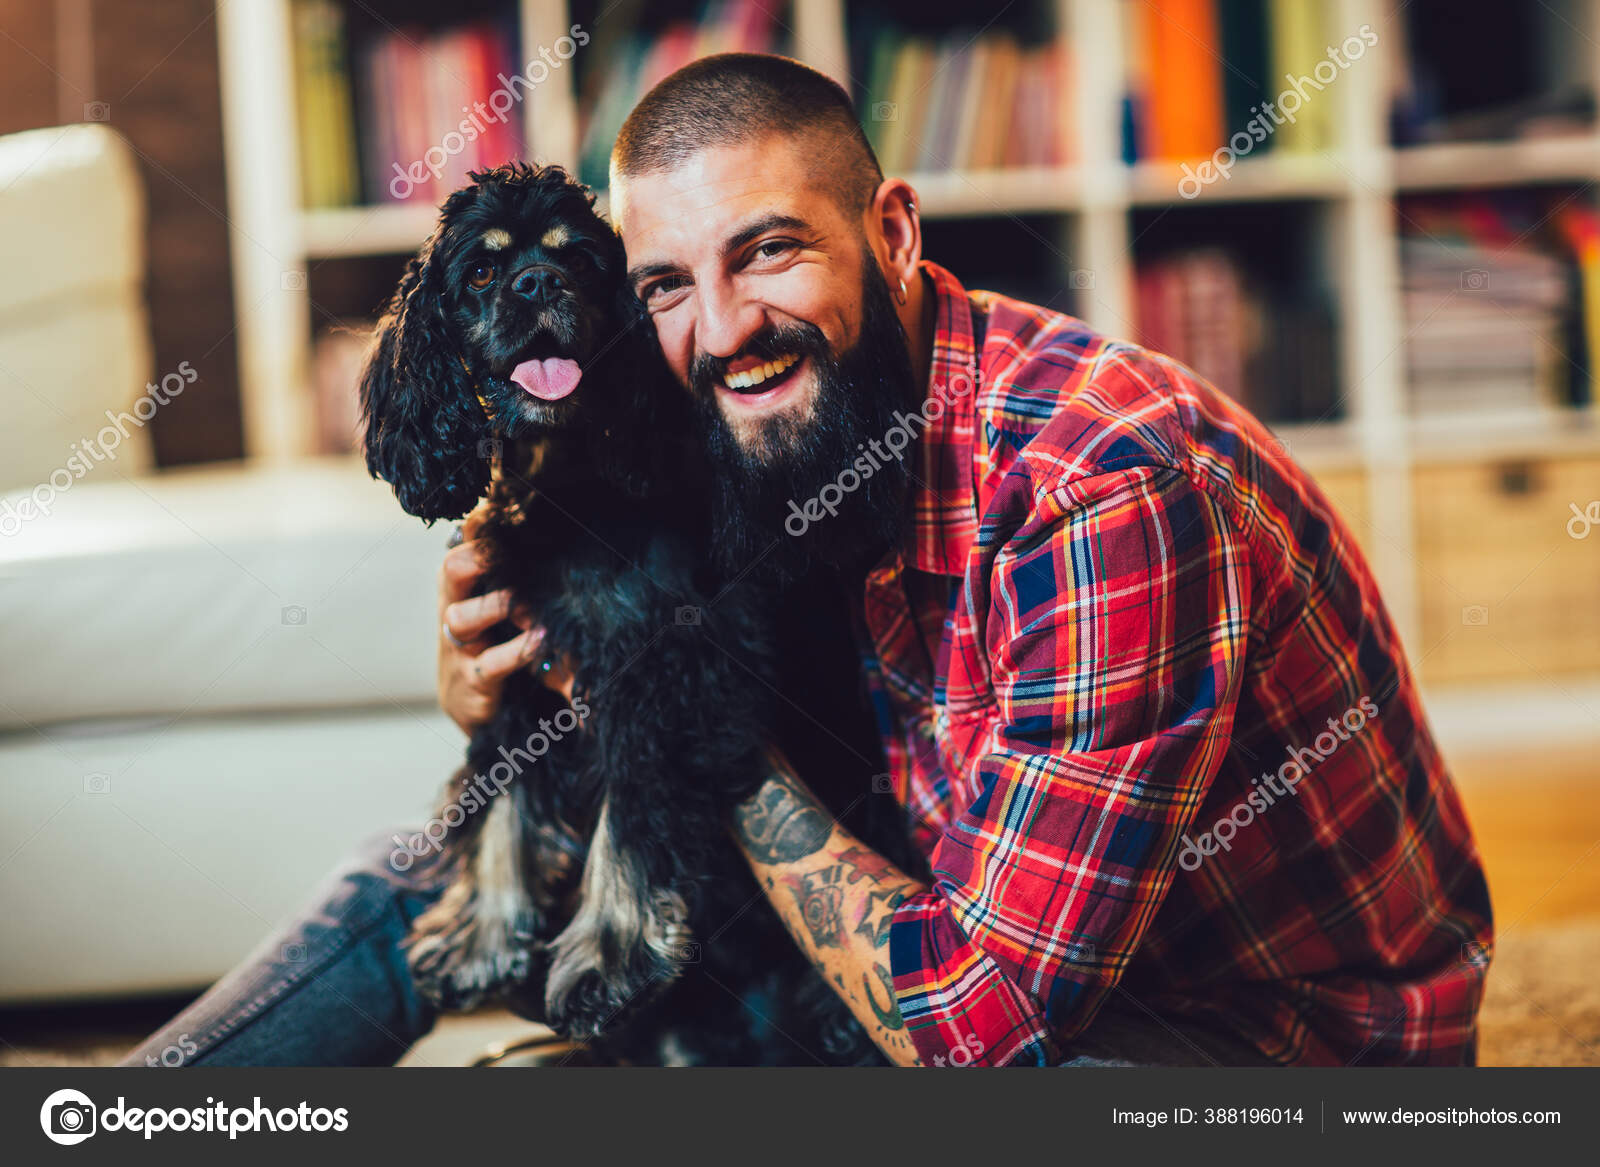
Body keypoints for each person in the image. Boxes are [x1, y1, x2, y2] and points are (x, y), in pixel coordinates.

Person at [123, 53, 1491, 1068]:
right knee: (447, 854)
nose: (723, 332)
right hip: (949, 880)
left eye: (766, 253)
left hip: (1241, 1042)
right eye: (665, 285)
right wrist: (513, 697)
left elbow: (982, 1030)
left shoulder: (1102, 487)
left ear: (893, 232)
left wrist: (679, 717)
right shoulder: (745, 405)